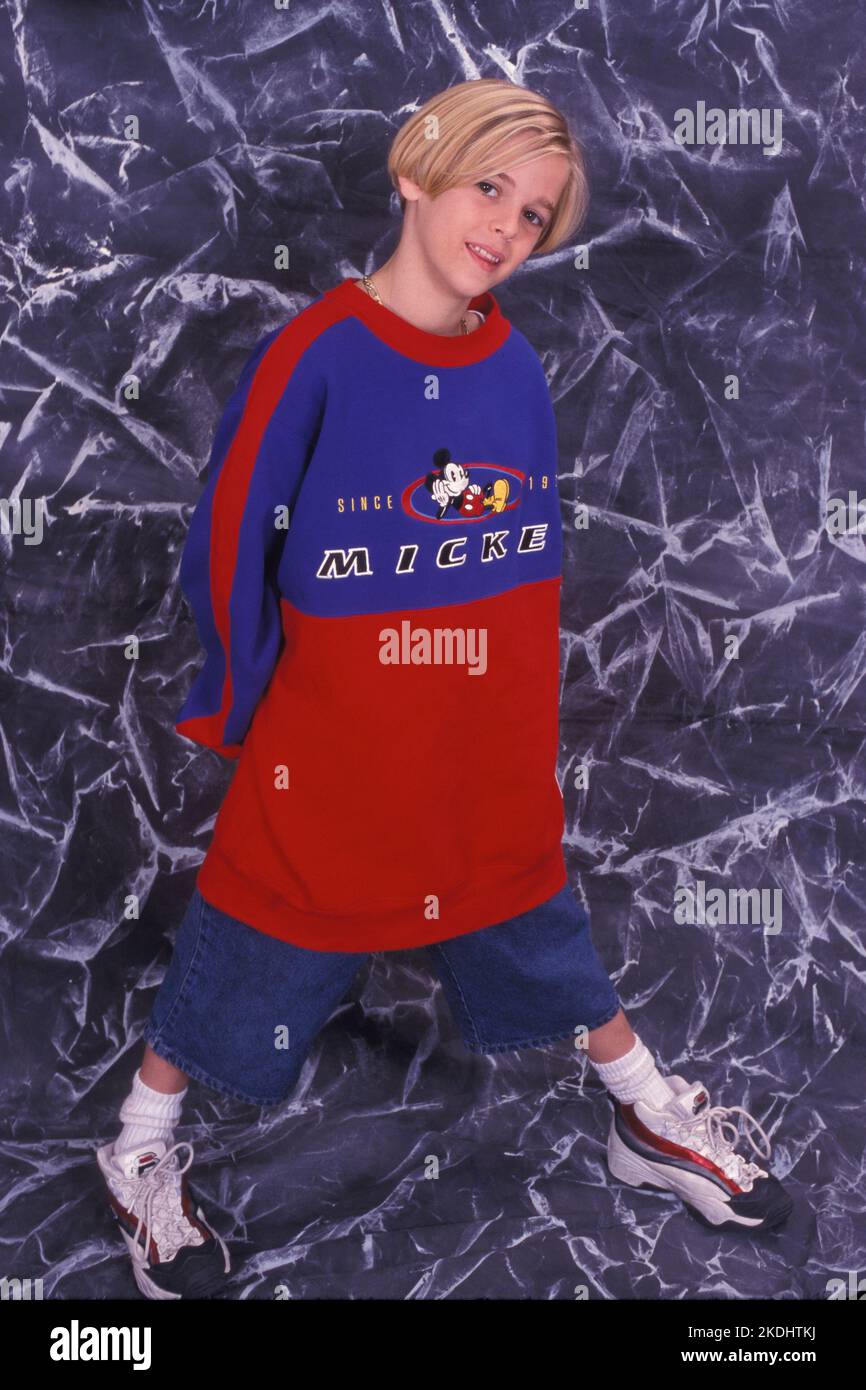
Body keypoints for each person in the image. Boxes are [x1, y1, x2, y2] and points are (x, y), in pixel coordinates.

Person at [96, 77, 792, 1301]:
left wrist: (509, 720)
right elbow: (228, 545)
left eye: (531, 216)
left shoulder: (510, 362)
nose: (504, 230)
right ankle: (138, 1150)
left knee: (526, 906)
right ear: (415, 173)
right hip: (336, 740)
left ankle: (644, 1115)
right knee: (264, 928)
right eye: (487, 189)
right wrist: (256, 708)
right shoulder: (313, 355)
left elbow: (523, 559)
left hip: (479, 743)